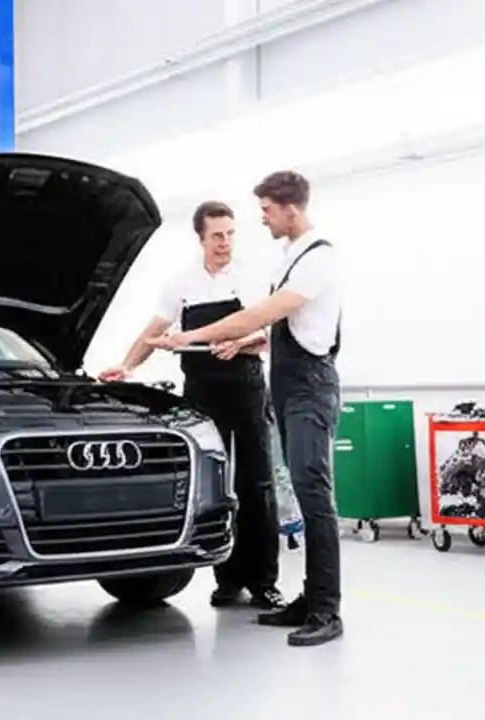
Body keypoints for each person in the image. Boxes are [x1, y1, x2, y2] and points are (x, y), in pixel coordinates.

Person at [147, 171, 344, 647]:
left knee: (313, 498)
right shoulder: (291, 257)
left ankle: (326, 608)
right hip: (288, 387)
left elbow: (258, 317)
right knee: (299, 485)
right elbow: (269, 330)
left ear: (290, 209)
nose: (262, 219)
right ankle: (306, 596)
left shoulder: (318, 259)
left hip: (309, 388)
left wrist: (191, 336)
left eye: (267, 211)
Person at [99, 200, 286, 613]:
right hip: (202, 389)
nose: (225, 243)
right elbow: (155, 330)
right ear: (200, 238)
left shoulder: (252, 277)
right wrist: (126, 365)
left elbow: (268, 334)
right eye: (217, 235)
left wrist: (240, 341)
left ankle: (264, 581)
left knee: (257, 484)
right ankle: (228, 579)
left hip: (246, 386)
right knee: (214, 483)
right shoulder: (181, 282)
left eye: (231, 234)